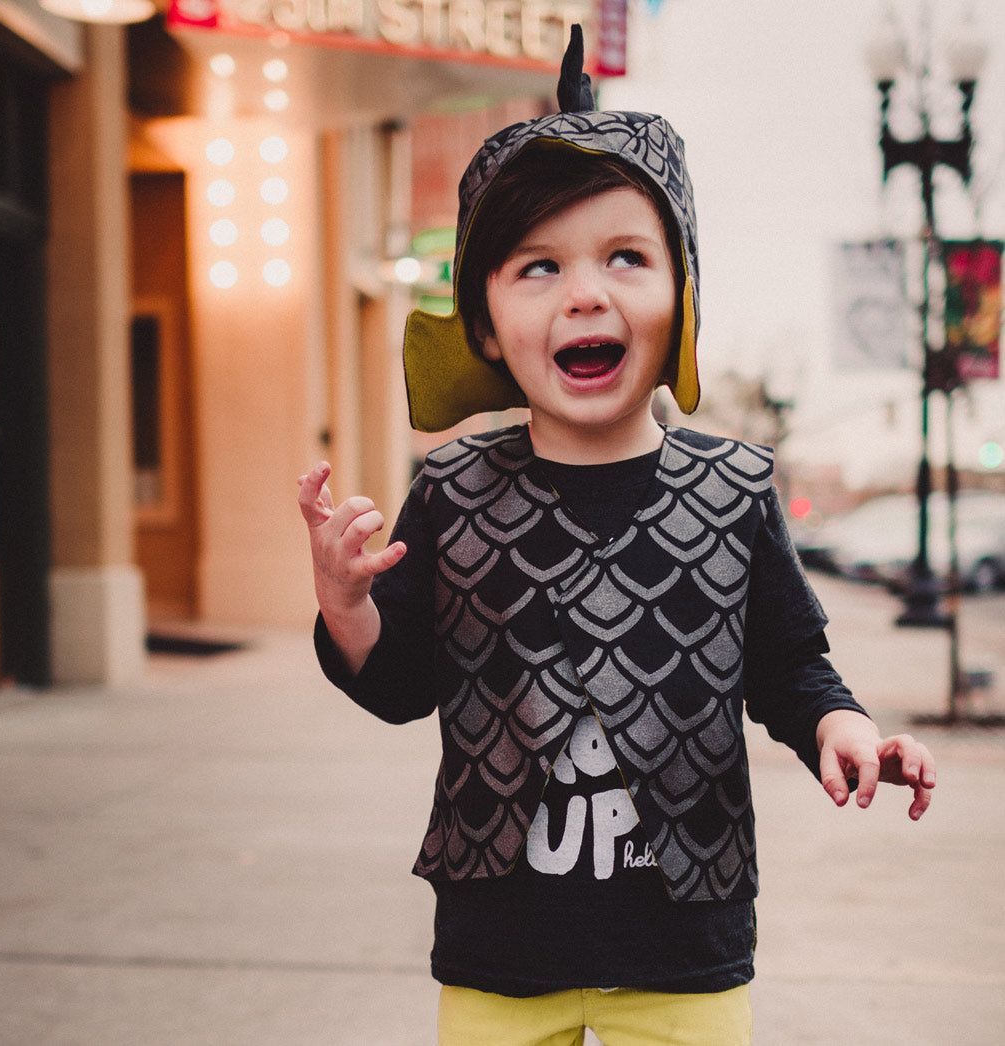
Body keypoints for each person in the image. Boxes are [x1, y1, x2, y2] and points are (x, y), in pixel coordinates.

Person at [298, 27, 936, 1045]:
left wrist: (842, 728)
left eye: (626, 258)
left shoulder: (733, 489)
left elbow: (787, 666)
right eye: (537, 266)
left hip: (681, 951)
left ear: (681, 297)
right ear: (482, 321)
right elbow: (402, 683)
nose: (585, 292)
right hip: (500, 952)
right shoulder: (454, 491)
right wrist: (347, 607)